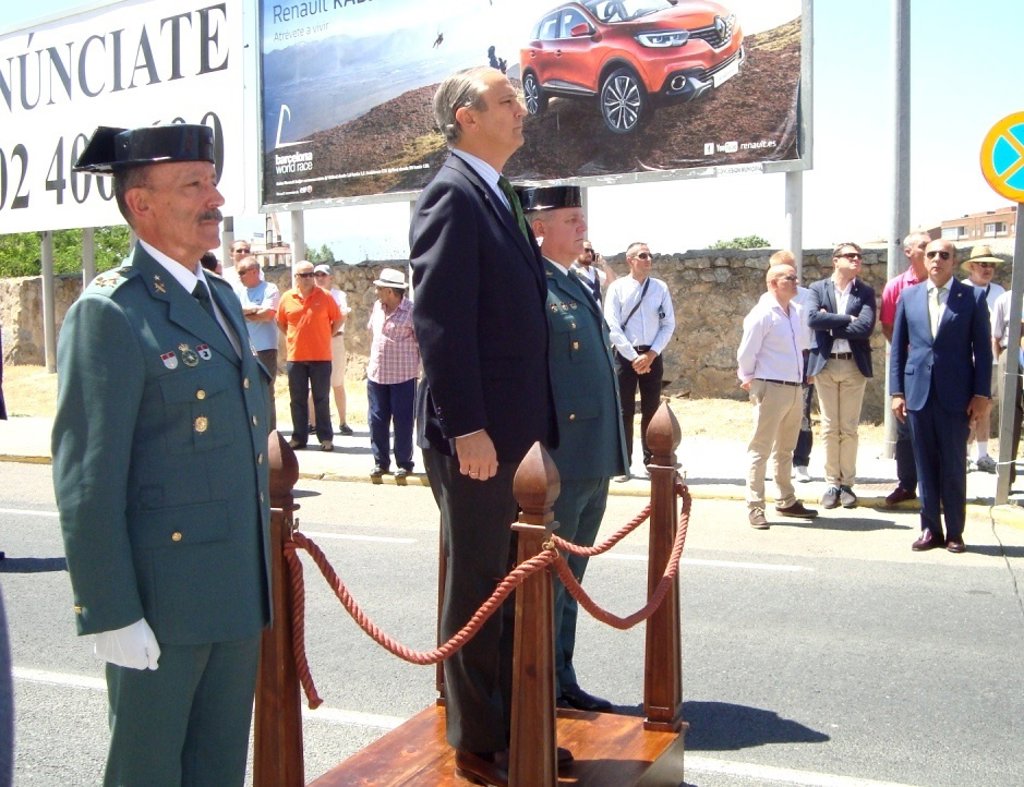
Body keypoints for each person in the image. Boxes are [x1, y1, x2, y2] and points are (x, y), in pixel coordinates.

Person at [52, 124, 272, 785]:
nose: (215, 198)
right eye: (194, 184)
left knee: (218, 769)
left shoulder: (222, 297)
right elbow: (88, 482)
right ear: (141, 203)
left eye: (212, 181)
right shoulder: (112, 312)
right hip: (161, 605)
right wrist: (110, 611)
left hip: (236, 593)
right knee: (146, 771)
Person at [409, 66, 557, 787]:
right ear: (466, 117)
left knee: (513, 588)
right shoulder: (452, 193)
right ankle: (477, 741)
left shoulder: (496, 192)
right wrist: (466, 425)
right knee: (479, 588)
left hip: (517, 438)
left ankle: (514, 728)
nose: (521, 107)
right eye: (505, 99)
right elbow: (440, 322)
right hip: (481, 439)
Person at [519, 185, 627, 712]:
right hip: (562, 459)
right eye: (571, 219)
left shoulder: (576, 281)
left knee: (572, 581)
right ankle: (540, 684)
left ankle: (561, 677)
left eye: (582, 218)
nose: (582, 227)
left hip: (592, 455)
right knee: (552, 581)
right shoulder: (532, 286)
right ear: (539, 228)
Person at [890, 239, 992, 553]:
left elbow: (983, 351)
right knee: (924, 464)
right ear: (925, 259)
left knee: (953, 465)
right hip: (918, 393)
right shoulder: (909, 296)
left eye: (944, 255)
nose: (936, 259)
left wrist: (981, 394)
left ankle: (955, 532)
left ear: (953, 261)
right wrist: (896, 392)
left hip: (956, 395)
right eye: (931, 254)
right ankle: (930, 529)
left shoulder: (972, 297)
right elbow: (898, 349)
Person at [737, 265, 819, 529]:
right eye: (790, 278)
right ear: (773, 283)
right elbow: (746, 352)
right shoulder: (762, 314)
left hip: (794, 387)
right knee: (760, 449)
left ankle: (785, 500)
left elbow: (800, 347)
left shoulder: (794, 312)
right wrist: (749, 378)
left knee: (786, 449)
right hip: (770, 386)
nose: (796, 281)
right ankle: (755, 506)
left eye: (796, 277)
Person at [806, 243, 877, 509]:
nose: (856, 259)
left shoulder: (865, 291)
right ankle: (831, 483)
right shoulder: (817, 288)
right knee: (829, 426)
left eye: (859, 256)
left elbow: (865, 328)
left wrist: (831, 324)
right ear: (835, 260)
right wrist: (848, 318)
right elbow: (813, 320)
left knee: (848, 427)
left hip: (852, 365)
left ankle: (847, 484)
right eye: (850, 256)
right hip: (826, 364)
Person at [603, 242, 676, 479]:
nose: (648, 259)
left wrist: (651, 354)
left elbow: (668, 324)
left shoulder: (660, 288)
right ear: (630, 260)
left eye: (650, 255)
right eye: (643, 255)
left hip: (652, 355)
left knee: (651, 410)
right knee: (624, 410)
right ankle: (623, 464)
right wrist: (634, 357)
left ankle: (651, 460)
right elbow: (612, 325)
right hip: (626, 357)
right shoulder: (617, 288)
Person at [879, 231, 930, 505]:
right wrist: (910, 353)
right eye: (924, 246)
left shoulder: (942, 283)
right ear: (909, 252)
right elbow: (888, 326)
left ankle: (936, 486)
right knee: (906, 429)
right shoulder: (896, 287)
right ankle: (907, 484)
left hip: (939, 368)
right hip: (910, 368)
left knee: (937, 426)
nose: (930, 250)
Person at [277, 260, 342, 451]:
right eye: (304, 275)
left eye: (311, 274)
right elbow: (281, 322)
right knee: (297, 399)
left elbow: (338, 319)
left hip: (321, 356)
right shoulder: (287, 297)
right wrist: (294, 338)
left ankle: (326, 438)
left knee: (321, 399)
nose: (309, 278)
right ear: (296, 277)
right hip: (296, 357)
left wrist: (326, 334)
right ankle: (299, 437)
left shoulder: (325, 296)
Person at [766, 249, 815, 483]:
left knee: (802, 412)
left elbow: (815, 332)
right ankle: (775, 463)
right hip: (775, 362)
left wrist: (813, 364)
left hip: (803, 359)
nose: (793, 276)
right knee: (773, 414)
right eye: (785, 271)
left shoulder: (808, 297)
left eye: (793, 270)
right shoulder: (765, 301)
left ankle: (801, 462)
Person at [366, 267, 419, 479]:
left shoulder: (412, 311)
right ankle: (380, 463)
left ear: (390, 291)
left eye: (379, 288)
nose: (376, 292)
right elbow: (372, 333)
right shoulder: (377, 308)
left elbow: (421, 341)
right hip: (377, 375)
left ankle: (404, 463)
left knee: (403, 420)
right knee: (377, 419)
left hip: (403, 377)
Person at [960, 244, 1005, 473]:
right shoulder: (961, 290)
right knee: (968, 408)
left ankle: (983, 454)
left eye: (991, 266)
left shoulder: (999, 292)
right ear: (971, 267)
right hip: (968, 359)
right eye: (982, 264)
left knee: (986, 407)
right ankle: (964, 454)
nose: (987, 269)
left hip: (993, 360)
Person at [235, 254, 281, 430]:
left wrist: (245, 313)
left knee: (266, 391)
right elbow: (234, 313)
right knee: (246, 391)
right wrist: (253, 310)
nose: (239, 276)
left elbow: (268, 315)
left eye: (242, 272)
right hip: (244, 349)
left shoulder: (269, 289)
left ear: (254, 271)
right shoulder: (239, 292)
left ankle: (269, 432)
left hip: (265, 349)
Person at [312, 264, 354, 436]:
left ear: (331, 278)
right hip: (316, 340)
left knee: (337, 382)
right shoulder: (311, 295)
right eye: (317, 275)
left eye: (323, 275)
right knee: (313, 384)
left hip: (334, 340)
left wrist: (328, 329)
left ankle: (343, 421)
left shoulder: (339, 295)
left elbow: (341, 315)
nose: (320, 278)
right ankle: (313, 423)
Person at [990, 285, 1023, 481]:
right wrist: (1002, 361)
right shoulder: (1005, 299)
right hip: (1011, 355)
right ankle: (1006, 476)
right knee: (1009, 415)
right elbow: (996, 337)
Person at [569, 240, 617, 304]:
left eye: (591, 251)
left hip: (597, 310)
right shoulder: (569, 271)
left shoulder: (595, 271)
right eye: (586, 250)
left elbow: (613, 282)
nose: (590, 254)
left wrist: (604, 264)